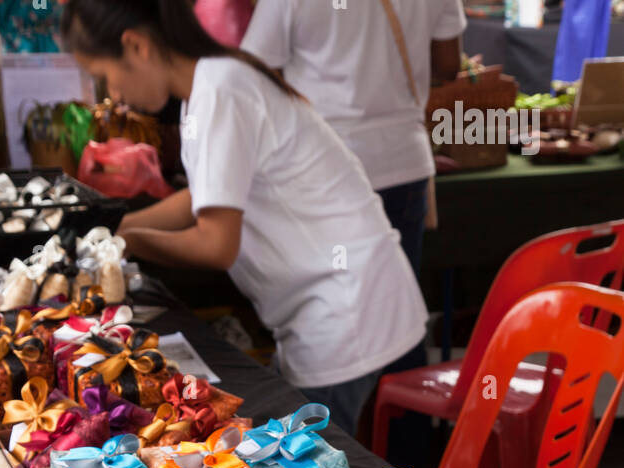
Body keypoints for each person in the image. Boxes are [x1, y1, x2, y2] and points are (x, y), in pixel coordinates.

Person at [60, 0, 427, 437]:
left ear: (136, 46)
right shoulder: (209, 84)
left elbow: (216, 243)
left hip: (346, 312)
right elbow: (207, 195)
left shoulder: (220, 87)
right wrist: (120, 228)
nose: (113, 95)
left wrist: (131, 242)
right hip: (333, 308)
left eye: (105, 75)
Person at [242, 0, 466, 283]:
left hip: (322, 164)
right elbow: (448, 66)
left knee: (329, 300)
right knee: (395, 299)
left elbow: (255, 70)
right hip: (404, 162)